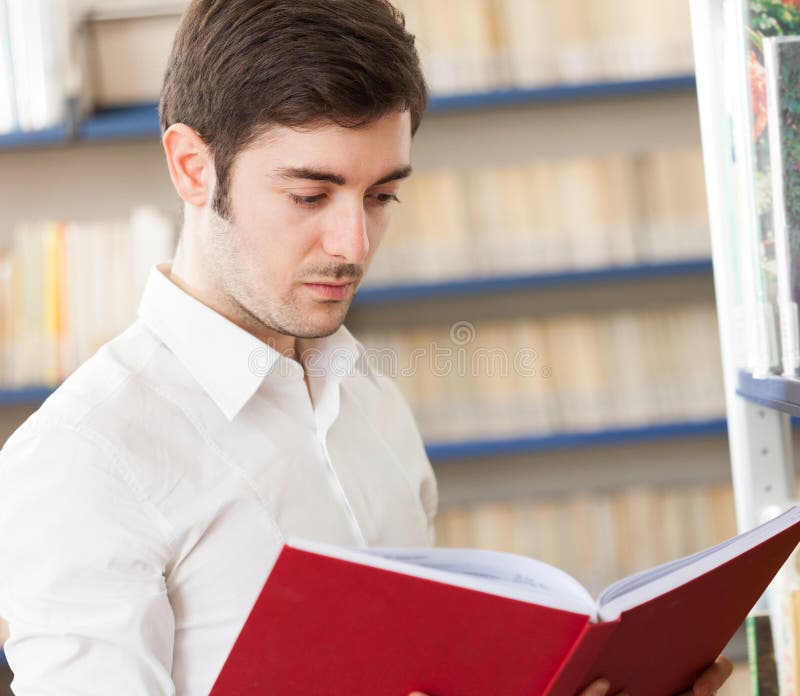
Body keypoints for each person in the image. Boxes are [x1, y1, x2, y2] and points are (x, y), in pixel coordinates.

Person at [0, 0, 733, 694]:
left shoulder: (366, 392)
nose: (353, 246)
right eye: (309, 196)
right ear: (194, 166)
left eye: (381, 196)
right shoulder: (77, 463)